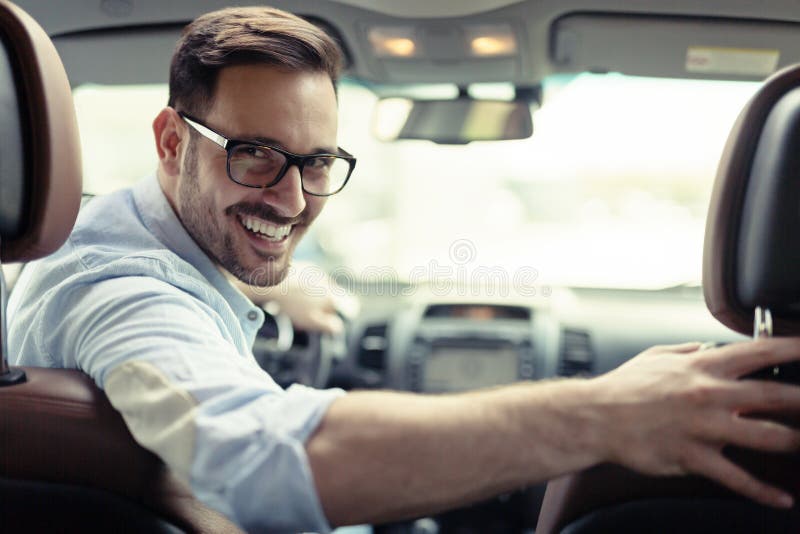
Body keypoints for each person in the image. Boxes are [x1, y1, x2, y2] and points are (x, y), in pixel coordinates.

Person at [8, 5, 800, 532]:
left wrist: (281, 282)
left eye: (317, 163)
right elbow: (271, 459)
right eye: (255, 156)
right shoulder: (117, 295)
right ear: (173, 141)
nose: (290, 200)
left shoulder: (111, 237)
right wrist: (610, 413)